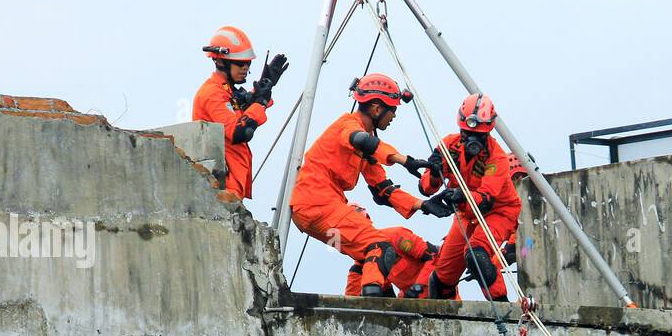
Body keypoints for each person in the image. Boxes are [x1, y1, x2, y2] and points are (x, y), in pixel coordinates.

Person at [289, 74, 455, 297]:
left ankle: (370, 299)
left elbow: (383, 190)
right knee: (379, 246)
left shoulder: (367, 145)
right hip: (317, 204)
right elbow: (360, 140)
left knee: (364, 257)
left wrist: (422, 205)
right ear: (376, 109)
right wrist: (404, 160)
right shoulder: (348, 125)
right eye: (392, 110)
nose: (394, 116)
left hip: (312, 217)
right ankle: (373, 306)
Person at [413, 93, 520, 300]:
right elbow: (426, 189)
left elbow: (486, 198)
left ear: (488, 131)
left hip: (498, 211)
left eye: (479, 135)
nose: (472, 139)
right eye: (467, 132)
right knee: (442, 277)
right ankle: (443, 317)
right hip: (465, 214)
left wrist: (461, 195)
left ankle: (502, 306)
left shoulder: (496, 158)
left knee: (477, 254)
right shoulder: (449, 146)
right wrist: (434, 172)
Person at [192, 26, 288, 200]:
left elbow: (240, 109)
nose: (245, 67)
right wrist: (260, 102)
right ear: (221, 62)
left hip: (232, 185)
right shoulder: (213, 94)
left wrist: (264, 87)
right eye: (240, 63)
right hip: (222, 186)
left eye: (248, 63)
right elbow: (239, 132)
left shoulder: (226, 92)